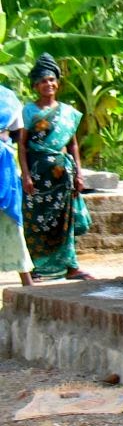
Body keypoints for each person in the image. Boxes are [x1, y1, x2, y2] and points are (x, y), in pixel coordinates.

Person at [18, 54, 92, 281]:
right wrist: (26, 176)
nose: (48, 84)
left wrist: (79, 173)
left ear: (57, 83)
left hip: (62, 176)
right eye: (42, 81)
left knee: (64, 222)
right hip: (37, 176)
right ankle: (38, 268)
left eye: (51, 80)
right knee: (36, 221)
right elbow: (22, 145)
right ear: (35, 86)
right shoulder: (28, 111)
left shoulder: (68, 112)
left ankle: (71, 267)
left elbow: (72, 144)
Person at [0, 84, 33, 286]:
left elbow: (18, 136)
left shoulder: (7, 99)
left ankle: (27, 282)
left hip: (3, 168)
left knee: (12, 223)